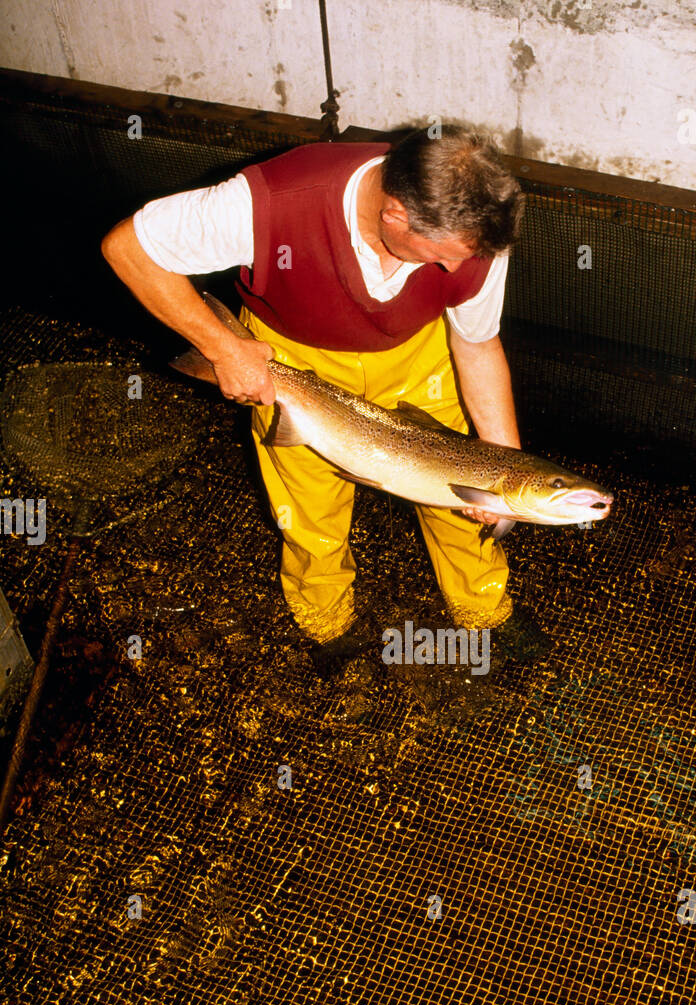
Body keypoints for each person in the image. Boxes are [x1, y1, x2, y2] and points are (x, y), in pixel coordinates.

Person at [102, 124, 551, 677]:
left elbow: (477, 343)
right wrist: (224, 349)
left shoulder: (472, 236)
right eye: (441, 258)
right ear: (396, 216)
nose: (457, 272)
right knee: (308, 508)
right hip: (298, 360)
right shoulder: (272, 202)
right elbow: (129, 248)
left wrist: (504, 464)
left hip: (416, 355)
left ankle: (482, 604)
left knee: (464, 493)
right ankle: (327, 619)